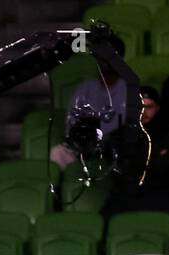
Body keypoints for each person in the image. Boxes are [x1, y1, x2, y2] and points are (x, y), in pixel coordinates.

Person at [50, 34, 128, 170]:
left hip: (111, 146)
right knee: (58, 152)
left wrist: (94, 129)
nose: (105, 63)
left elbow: (119, 121)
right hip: (82, 143)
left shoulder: (127, 88)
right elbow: (71, 119)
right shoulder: (86, 87)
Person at [102, 88, 169, 217]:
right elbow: (120, 170)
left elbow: (162, 168)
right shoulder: (117, 134)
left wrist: (134, 157)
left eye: (148, 107)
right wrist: (152, 155)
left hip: (161, 195)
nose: (143, 112)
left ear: (157, 108)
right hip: (124, 195)